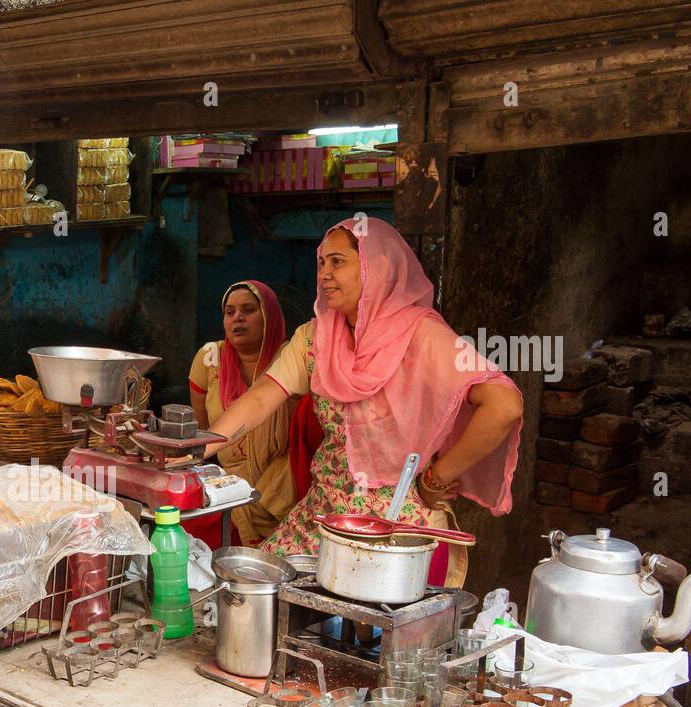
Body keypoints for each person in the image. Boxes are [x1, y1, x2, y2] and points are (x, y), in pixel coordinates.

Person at [206, 217, 524, 585]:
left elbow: (504, 406)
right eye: (321, 263)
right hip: (323, 518)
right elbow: (263, 396)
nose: (324, 274)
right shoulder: (316, 337)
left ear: (377, 267)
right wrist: (202, 445)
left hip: (398, 528)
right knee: (254, 597)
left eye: (338, 262)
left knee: (364, 633)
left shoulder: (421, 336)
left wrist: (437, 479)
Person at [188, 281, 296, 545]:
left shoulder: (291, 358)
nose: (238, 318)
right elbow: (200, 430)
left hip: (282, 487)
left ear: (269, 317)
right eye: (229, 312)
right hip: (230, 486)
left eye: (248, 309)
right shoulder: (209, 359)